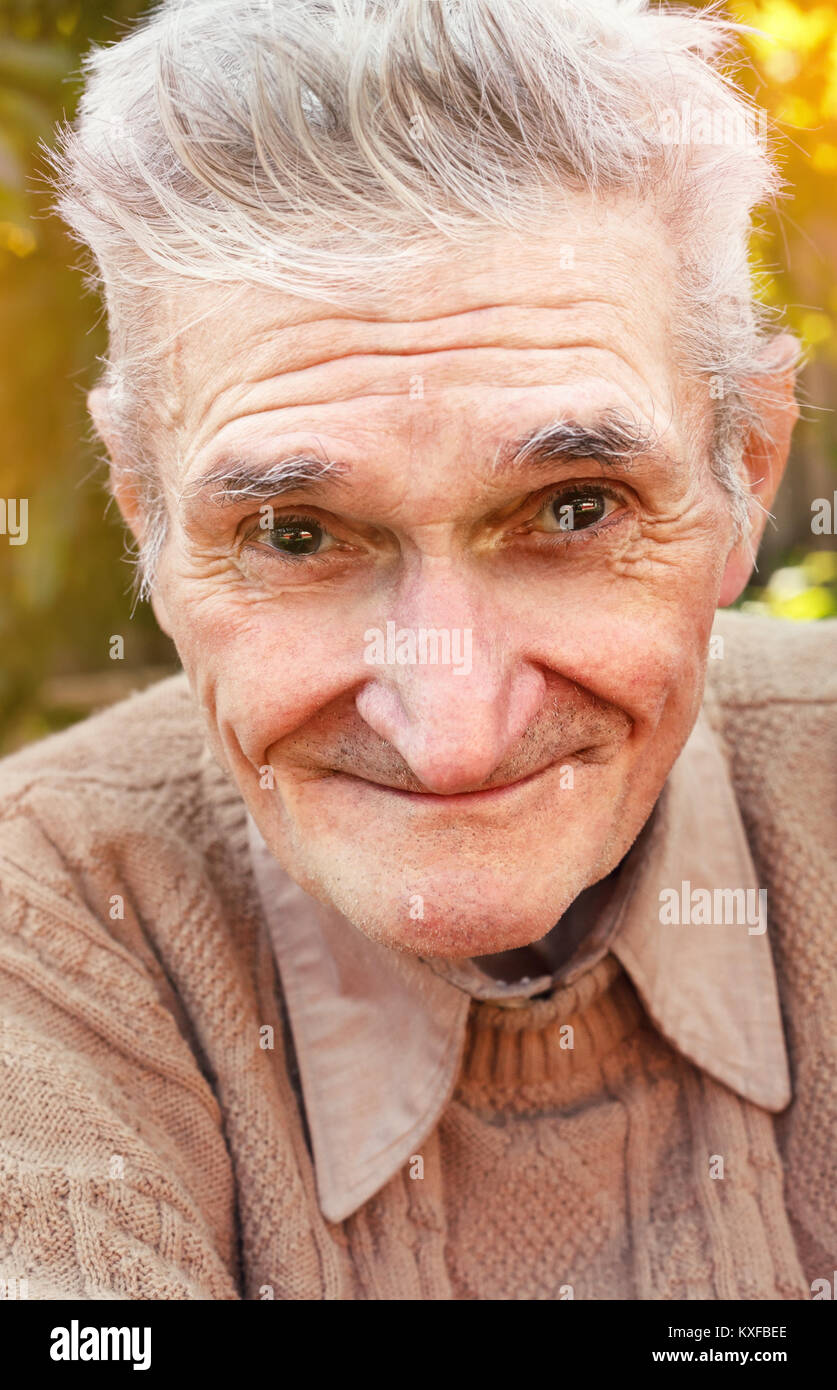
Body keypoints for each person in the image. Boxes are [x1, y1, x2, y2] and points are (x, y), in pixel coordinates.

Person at [0, 0, 834, 1300]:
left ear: (747, 475)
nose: (452, 729)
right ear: (145, 523)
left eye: (572, 509)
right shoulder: (41, 923)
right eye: (293, 531)